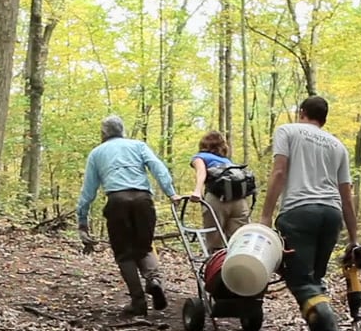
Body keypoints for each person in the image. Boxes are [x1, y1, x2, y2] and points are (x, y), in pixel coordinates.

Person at [258, 95, 359, 331]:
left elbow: (279, 172)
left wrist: (265, 216)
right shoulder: (338, 145)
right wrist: (354, 237)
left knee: (300, 280)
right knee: (314, 279)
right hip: (331, 215)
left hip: (299, 213)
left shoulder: (287, 130)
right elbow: (346, 195)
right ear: (323, 119)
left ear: (301, 112)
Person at [77, 115, 181, 316]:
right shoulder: (138, 146)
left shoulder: (97, 153)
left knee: (124, 253)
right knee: (145, 245)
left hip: (117, 201)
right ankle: (154, 280)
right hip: (143, 199)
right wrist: (171, 192)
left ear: (103, 133)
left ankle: (138, 302)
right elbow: (157, 167)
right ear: (122, 130)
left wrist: (82, 221)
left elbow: (88, 191)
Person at [189, 131, 251, 252]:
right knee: (238, 242)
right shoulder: (228, 162)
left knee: (215, 242)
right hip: (239, 201)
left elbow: (201, 172)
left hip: (217, 200)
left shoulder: (199, 157)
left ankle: (217, 269)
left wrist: (197, 191)